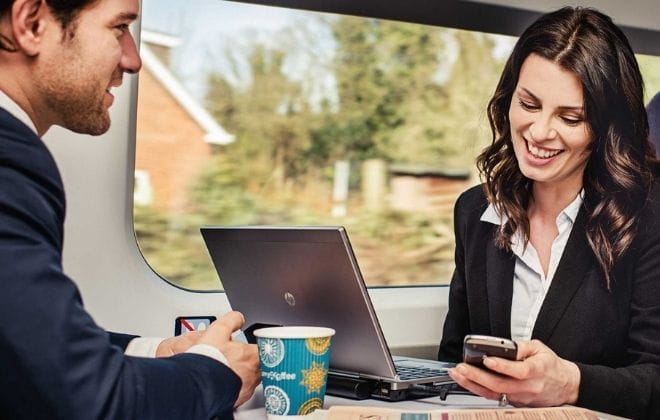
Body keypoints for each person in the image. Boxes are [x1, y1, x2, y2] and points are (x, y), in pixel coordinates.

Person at [0, 0, 260, 418]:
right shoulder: (8, 160)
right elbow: (91, 400)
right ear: (31, 23)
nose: (133, 59)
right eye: (119, 26)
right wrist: (216, 371)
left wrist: (158, 352)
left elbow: (21, 345)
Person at [438, 7, 660, 420]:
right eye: (529, 104)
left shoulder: (649, 219)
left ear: (606, 128)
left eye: (570, 117)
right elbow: (454, 362)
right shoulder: (475, 212)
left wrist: (572, 383)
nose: (539, 132)